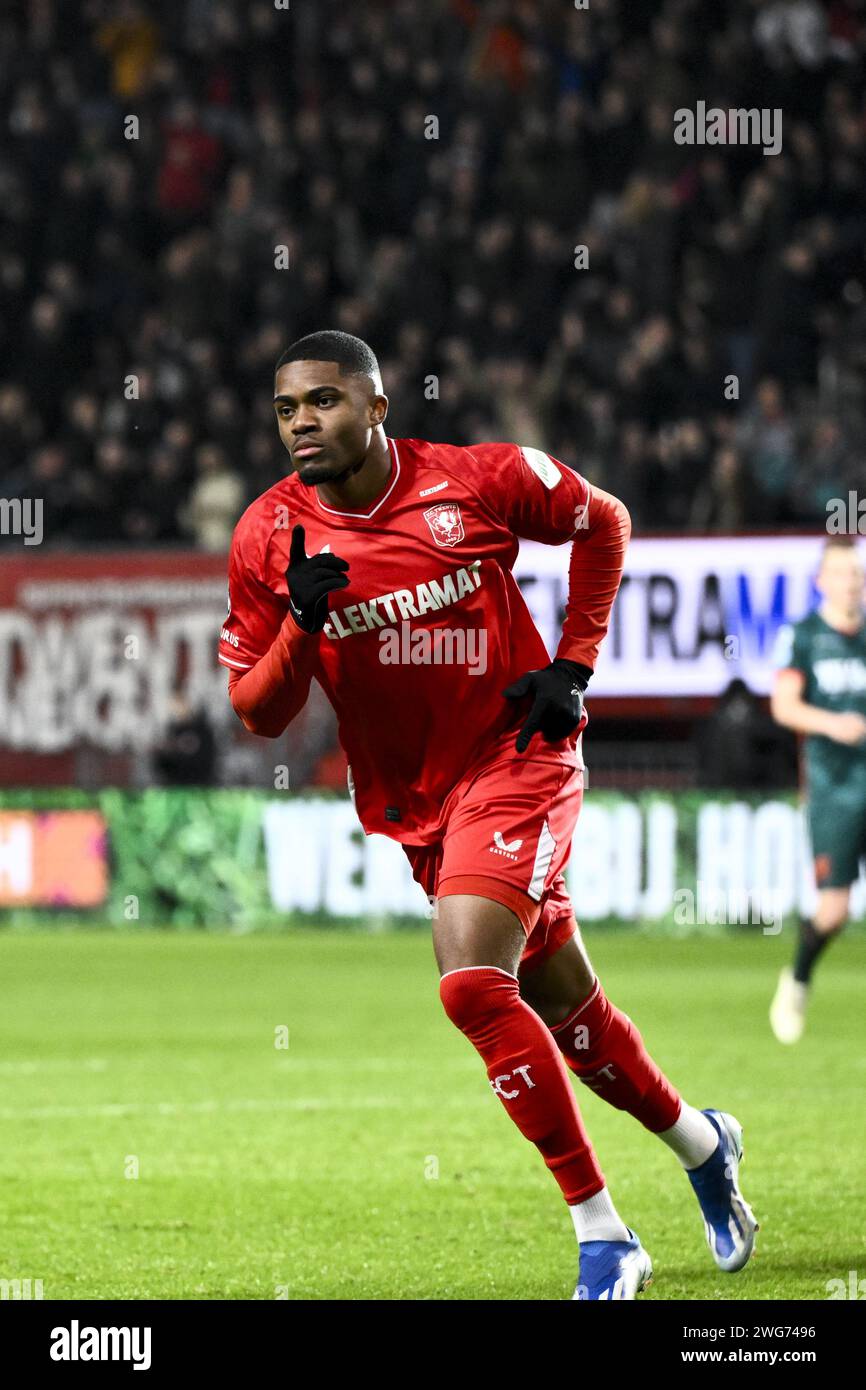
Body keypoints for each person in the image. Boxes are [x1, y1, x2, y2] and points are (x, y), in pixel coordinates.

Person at [219, 330, 757, 1299]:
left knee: (469, 982)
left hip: (519, 755)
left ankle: (602, 1232)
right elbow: (256, 711)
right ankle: (700, 1141)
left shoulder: (474, 481)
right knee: (569, 1015)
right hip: (415, 802)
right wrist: (299, 624)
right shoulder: (268, 537)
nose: (303, 422)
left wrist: (574, 664)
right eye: (286, 408)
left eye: (325, 401)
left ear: (377, 409)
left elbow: (605, 523)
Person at [769, 536, 866, 1043]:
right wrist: (833, 724)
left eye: (857, 574)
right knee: (834, 910)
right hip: (836, 789)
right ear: (821, 581)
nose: (851, 583)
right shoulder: (804, 636)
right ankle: (799, 980)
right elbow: (784, 706)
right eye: (842, 574)